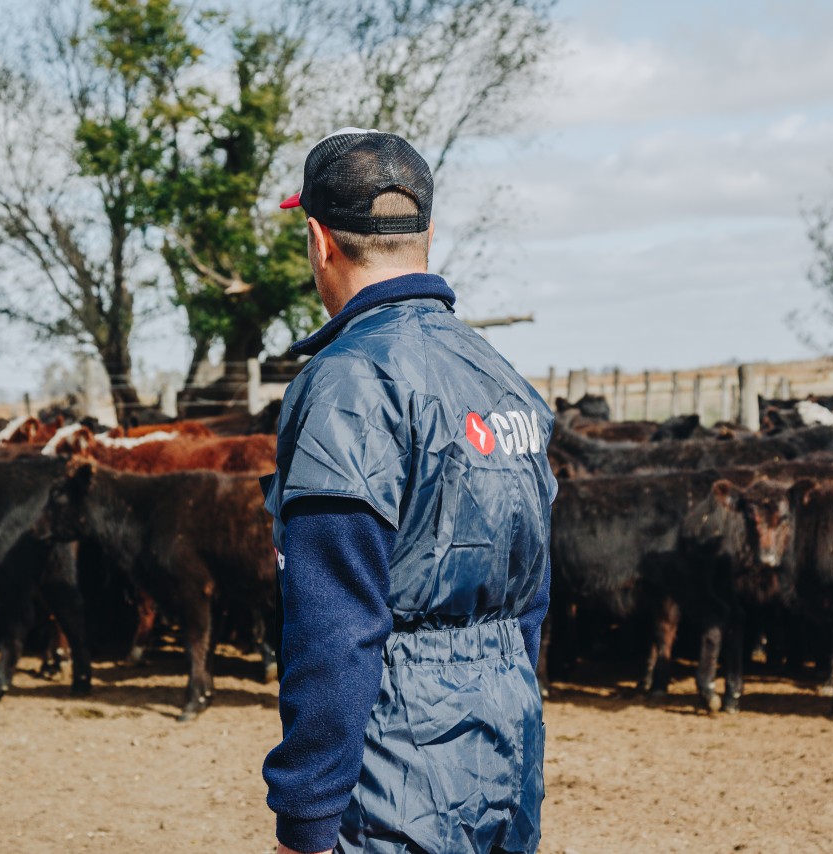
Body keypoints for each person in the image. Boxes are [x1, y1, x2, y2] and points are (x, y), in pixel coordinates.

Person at [261, 127, 555, 854]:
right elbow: (532, 598)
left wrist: (305, 817)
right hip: (508, 753)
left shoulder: (346, 386)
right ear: (428, 231)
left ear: (319, 242)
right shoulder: (502, 379)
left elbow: (335, 623)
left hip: (391, 775)